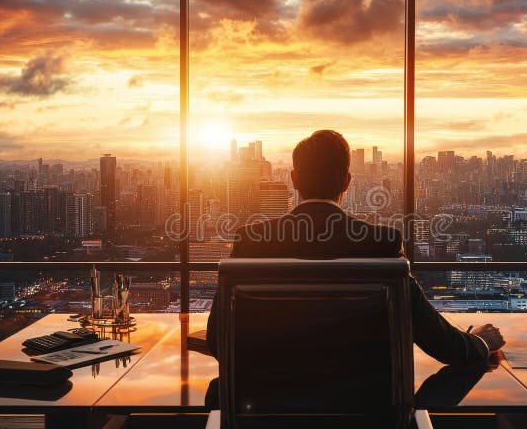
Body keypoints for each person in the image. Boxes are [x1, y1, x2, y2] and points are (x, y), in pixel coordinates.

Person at [206, 130, 504, 364]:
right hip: (365, 415)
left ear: (294, 180)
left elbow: (218, 341)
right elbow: (441, 343)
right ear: (347, 181)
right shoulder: (380, 242)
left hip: (264, 415)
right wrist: (481, 342)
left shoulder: (253, 240)